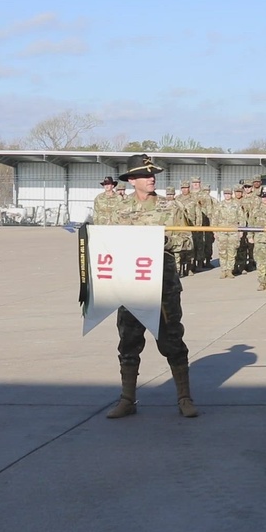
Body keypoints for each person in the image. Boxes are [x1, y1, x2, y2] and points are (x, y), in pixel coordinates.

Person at [105, 155, 198, 420]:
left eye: (153, 174)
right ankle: (127, 399)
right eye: (145, 175)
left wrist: (162, 241)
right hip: (131, 286)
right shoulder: (118, 211)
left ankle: (184, 397)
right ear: (132, 180)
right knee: (129, 342)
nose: (151, 178)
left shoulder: (170, 208)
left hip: (163, 287)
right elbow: (108, 244)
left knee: (172, 341)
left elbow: (186, 242)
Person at [210, 188, 242, 279]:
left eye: (228, 194)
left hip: (233, 231)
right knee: (222, 251)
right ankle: (223, 270)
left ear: (231, 194)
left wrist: (241, 231)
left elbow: (242, 218)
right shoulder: (219, 205)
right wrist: (215, 231)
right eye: (225, 194)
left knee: (232, 251)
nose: (227, 195)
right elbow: (214, 218)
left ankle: (230, 270)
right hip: (222, 231)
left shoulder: (236, 205)